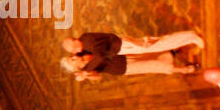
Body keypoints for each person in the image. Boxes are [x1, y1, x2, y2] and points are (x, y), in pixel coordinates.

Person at [61, 30, 203, 80]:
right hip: (123, 53)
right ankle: (186, 41)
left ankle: (190, 37)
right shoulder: (85, 49)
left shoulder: (88, 42)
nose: (74, 54)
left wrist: (84, 71)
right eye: (72, 57)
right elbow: (96, 74)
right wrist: (85, 75)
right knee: (153, 45)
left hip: (123, 47)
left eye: (72, 54)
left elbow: (100, 56)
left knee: (154, 45)